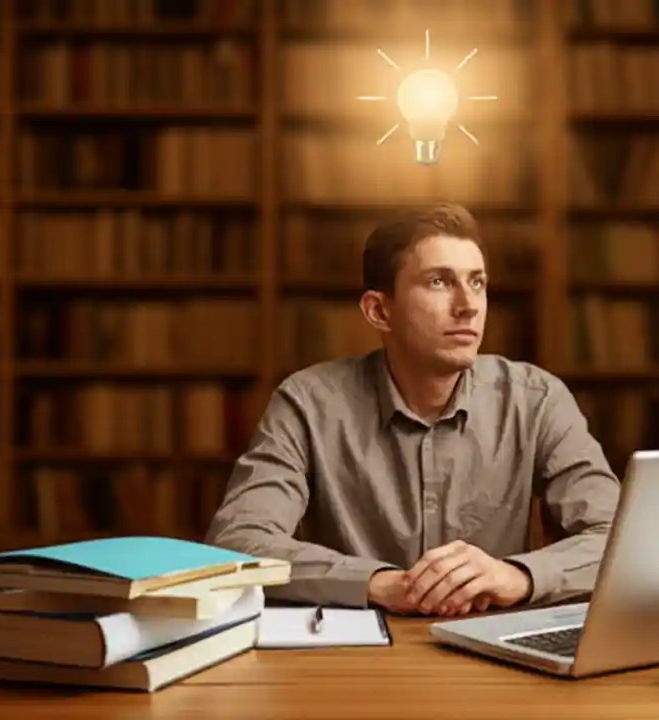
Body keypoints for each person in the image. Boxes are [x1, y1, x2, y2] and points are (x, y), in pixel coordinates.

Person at [206, 203, 620, 617]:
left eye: (477, 283)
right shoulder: (308, 403)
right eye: (439, 281)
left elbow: (623, 540)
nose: (468, 305)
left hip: (490, 652)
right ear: (379, 310)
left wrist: (517, 575)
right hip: (354, 654)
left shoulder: (536, 399)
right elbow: (237, 540)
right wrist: (379, 584)